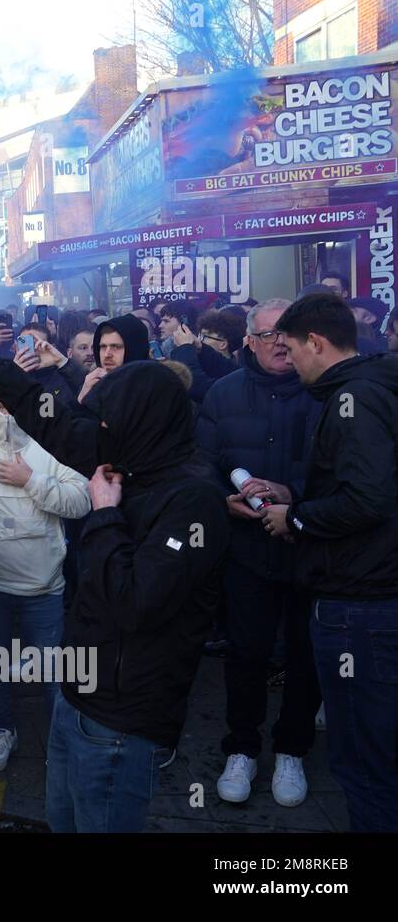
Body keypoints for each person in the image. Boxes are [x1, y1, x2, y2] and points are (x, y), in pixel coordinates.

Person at [0, 322, 229, 833]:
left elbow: (135, 602)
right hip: (77, 697)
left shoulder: (192, 500)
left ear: (140, 423)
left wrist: (102, 515)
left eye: (105, 421)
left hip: (122, 716)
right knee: (63, 820)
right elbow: (53, 424)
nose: (94, 431)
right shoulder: (128, 455)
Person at [262, 289, 398, 831]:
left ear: (316, 342)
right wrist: (297, 494)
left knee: (365, 762)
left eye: (292, 350)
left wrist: (294, 520)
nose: (289, 362)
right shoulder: (367, 388)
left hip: (359, 602)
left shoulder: (356, 398)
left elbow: (367, 499)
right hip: (367, 591)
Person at [194, 298, 322, 808]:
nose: (278, 343)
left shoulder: (325, 392)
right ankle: (242, 747)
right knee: (246, 654)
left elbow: (342, 472)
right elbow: (201, 463)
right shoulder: (223, 394)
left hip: (310, 549)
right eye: (267, 334)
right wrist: (221, 501)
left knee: (304, 654)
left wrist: (293, 494)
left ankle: (292, 747)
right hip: (246, 552)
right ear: (248, 340)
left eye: (285, 333)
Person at [0, 389, 90, 772]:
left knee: (50, 668)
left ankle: (61, 743)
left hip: (45, 586)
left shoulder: (53, 449)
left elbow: (82, 501)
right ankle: (3, 728)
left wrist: (31, 480)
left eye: (11, 402)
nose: (4, 410)